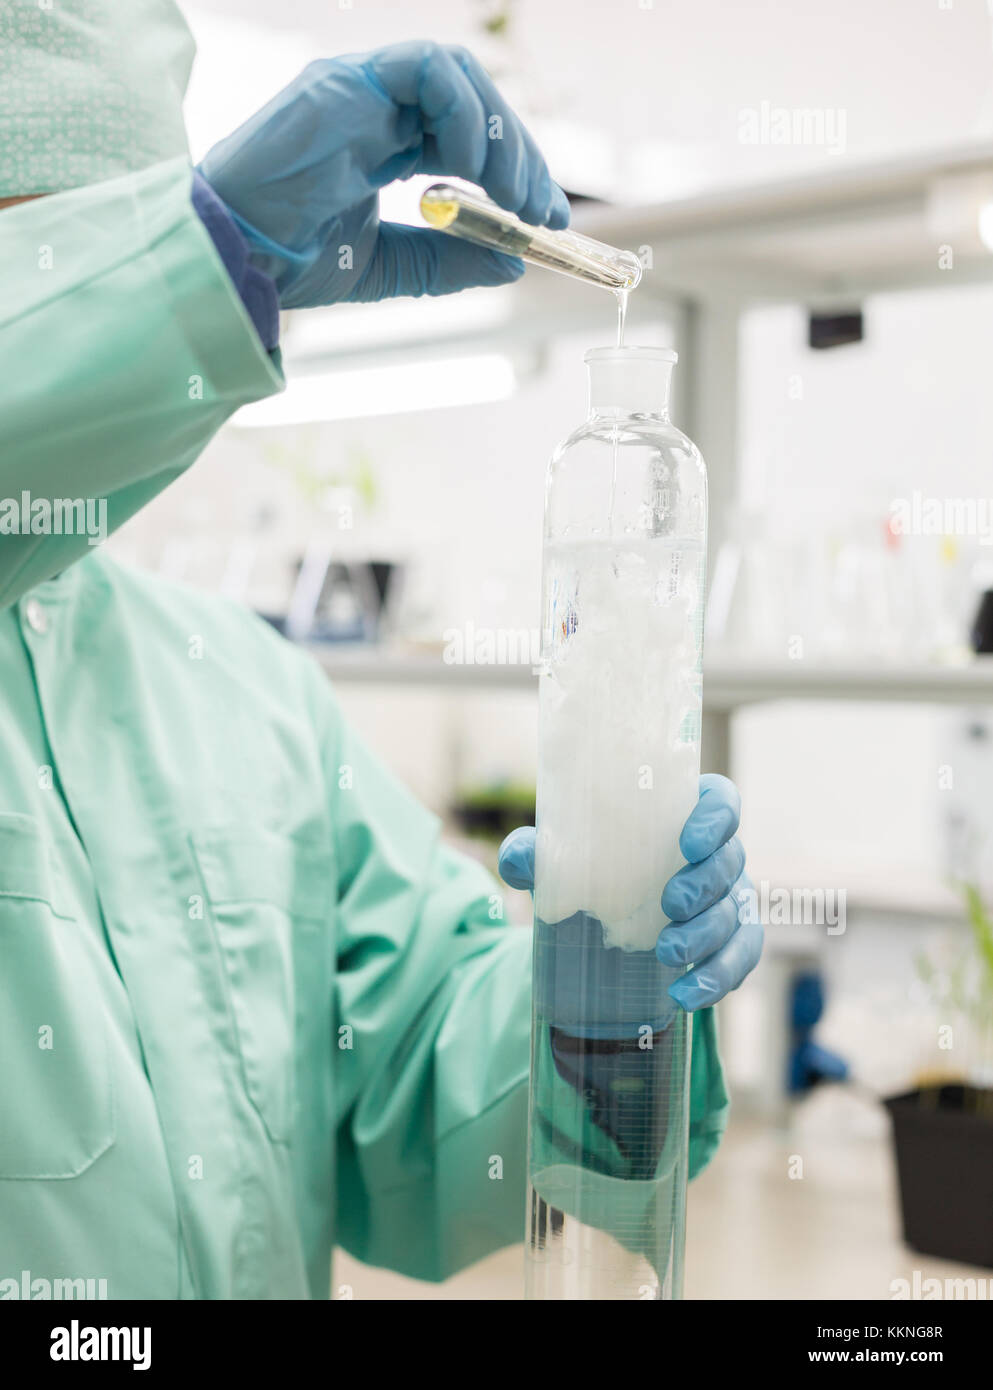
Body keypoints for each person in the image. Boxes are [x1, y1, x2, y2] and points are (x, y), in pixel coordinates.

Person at [0, 1, 761, 1298]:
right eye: (51, 264)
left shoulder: (238, 690)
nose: (81, 305)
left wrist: (598, 1000)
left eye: (107, 241)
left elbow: (417, 1126)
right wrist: (201, 255)